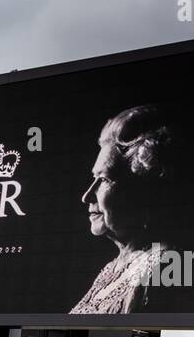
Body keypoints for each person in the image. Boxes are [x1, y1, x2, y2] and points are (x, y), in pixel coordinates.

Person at [70, 105, 181, 315]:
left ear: (141, 190)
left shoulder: (162, 266)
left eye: (104, 180)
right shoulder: (110, 270)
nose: (86, 195)